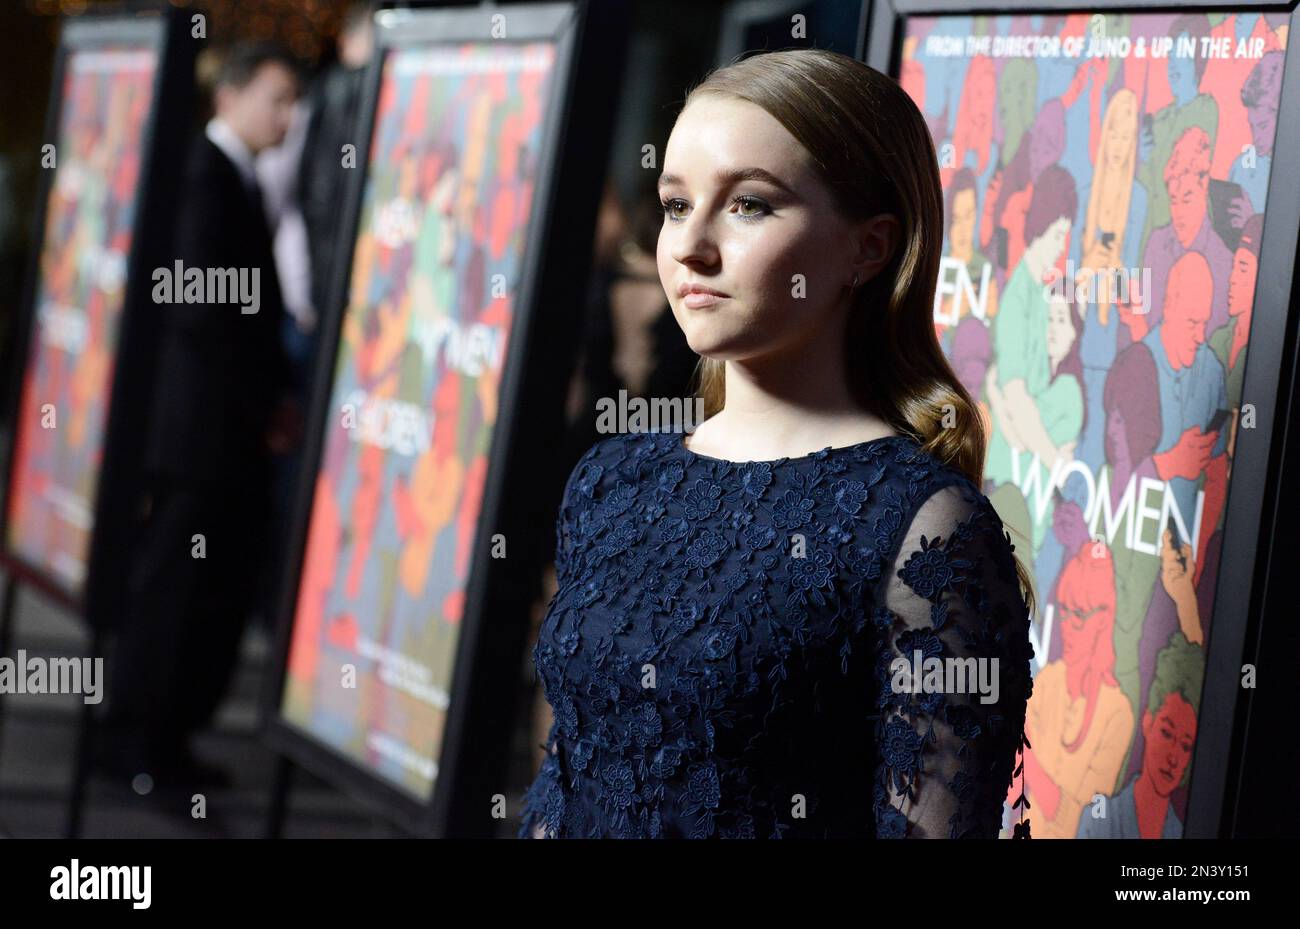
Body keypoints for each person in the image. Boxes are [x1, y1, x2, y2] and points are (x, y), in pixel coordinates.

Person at [518, 49, 1035, 838]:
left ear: (869, 247)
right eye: (675, 203)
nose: (691, 246)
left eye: (750, 204)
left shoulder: (924, 528)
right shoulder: (612, 477)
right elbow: (561, 783)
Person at [97, 43, 301, 788]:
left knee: (202, 594)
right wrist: (265, 405)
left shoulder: (233, 175)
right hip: (199, 437)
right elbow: (205, 314)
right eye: (276, 98)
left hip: (221, 433)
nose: (287, 115)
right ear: (231, 96)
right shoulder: (203, 175)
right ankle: (134, 742)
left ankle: (163, 739)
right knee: (173, 592)